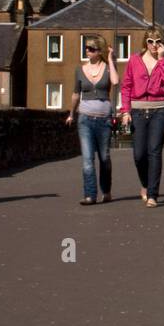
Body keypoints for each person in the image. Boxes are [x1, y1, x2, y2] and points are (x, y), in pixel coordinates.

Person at [120, 27, 164, 207]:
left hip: (160, 108)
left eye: (157, 41)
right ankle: (145, 183)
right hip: (137, 110)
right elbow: (126, 86)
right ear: (145, 42)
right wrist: (125, 111)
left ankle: (153, 194)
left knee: (154, 151)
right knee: (139, 155)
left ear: (162, 43)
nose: (153, 45)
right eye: (150, 41)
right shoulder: (135, 60)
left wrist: (161, 60)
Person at [67, 36, 119, 206]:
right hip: (85, 119)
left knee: (104, 158)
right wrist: (71, 114)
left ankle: (107, 191)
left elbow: (115, 82)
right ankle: (90, 195)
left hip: (104, 120)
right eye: (87, 48)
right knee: (88, 159)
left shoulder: (108, 68)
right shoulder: (80, 70)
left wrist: (110, 59)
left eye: (91, 48)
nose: (87, 51)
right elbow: (76, 94)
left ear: (99, 51)